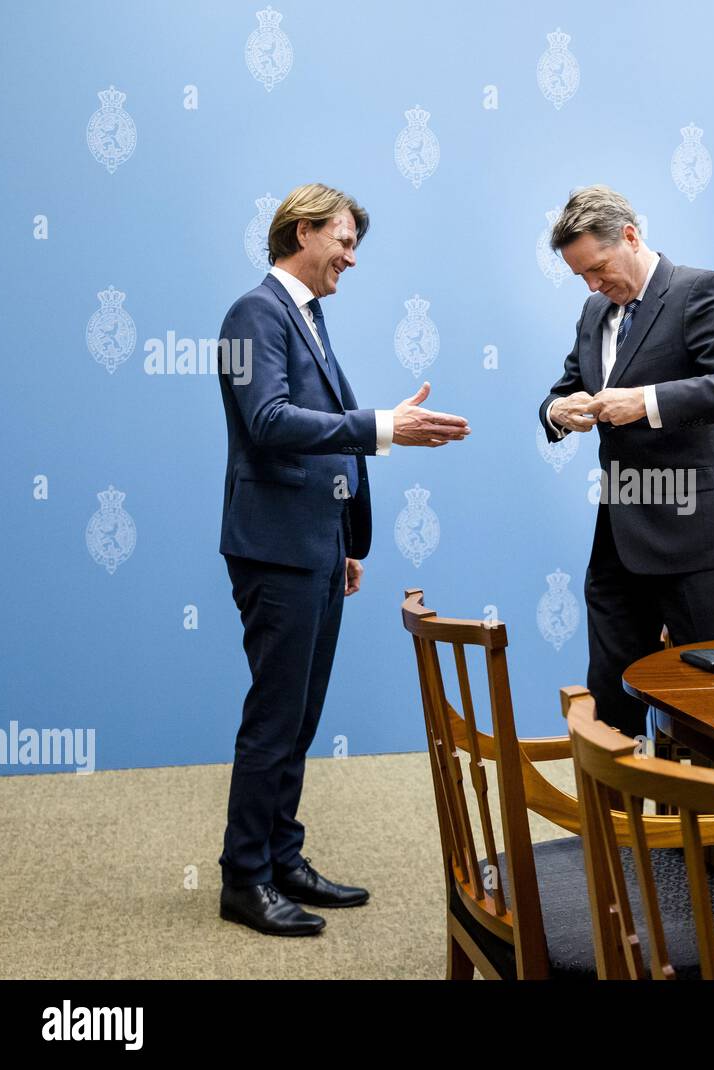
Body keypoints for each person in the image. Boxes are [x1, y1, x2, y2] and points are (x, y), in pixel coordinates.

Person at [538, 185, 714, 933]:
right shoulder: (596, 308)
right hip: (618, 537)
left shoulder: (696, 291)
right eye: (581, 279)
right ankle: (632, 866)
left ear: (630, 235)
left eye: (599, 269)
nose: (594, 287)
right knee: (613, 703)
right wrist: (556, 410)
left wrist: (649, 401)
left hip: (698, 542)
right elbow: (573, 384)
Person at [216, 182, 470, 936]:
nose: (352, 258)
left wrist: (348, 540)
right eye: (345, 240)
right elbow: (266, 422)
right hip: (274, 549)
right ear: (302, 230)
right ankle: (243, 877)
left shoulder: (309, 319)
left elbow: (320, 428)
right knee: (274, 715)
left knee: (299, 715)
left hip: (316, 546)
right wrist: (384, 424)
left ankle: (282, 856)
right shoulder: (249, 315)